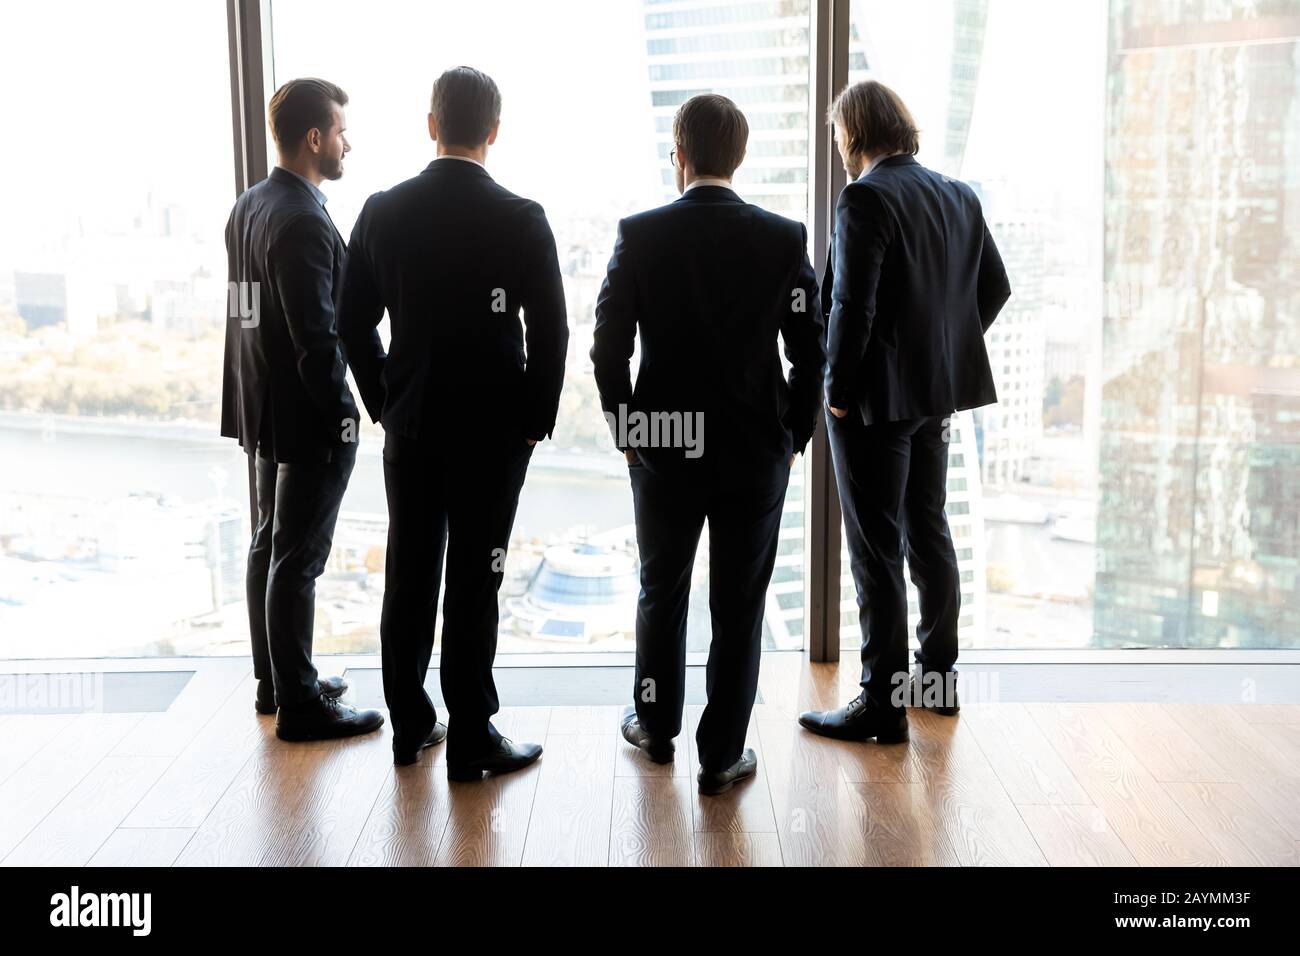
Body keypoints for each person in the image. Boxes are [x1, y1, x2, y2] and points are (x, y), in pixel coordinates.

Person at [591, 94, 825, 795]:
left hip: (663, 447)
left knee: (661, 589)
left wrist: (626, 426)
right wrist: (796, 434)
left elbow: (609, 346)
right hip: (756, 449)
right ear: (740, 158)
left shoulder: (641, 233)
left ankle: (656, 729)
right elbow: (811, 348)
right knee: (739, 604)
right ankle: (721, 756)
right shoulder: (784, 239)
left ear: (679, 155)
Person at [337, 66, 568, 775]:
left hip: (413, 428)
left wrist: (386, 405)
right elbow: (553, 332)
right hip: (495, 436)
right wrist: (533, 422)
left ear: (431, 124)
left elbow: (350, 322)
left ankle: (411, 727)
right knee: (477, 579)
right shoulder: (522, 217)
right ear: (493, 133)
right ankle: (472, 738)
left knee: (409, 576)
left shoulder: (382, 210)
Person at [799, 80, 1010, 744]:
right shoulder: (959, 194)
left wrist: (837, 386)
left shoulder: (866, 197)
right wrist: (940, 350)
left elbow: (851, 307)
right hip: (935, 397)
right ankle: (936, 682)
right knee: (929, 532)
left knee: (876, 549)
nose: (838, 147)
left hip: (872, 403)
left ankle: (881, 705)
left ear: (855, 133)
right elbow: (994, 289)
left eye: (838, 134)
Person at [220, 77, 384, 741]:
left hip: (261, 405)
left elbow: (245, 316)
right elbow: (317, 336)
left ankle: (279, 681)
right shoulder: (303, 221)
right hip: (306, 416)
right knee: (299, 560)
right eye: (342, 132)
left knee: (270, 546)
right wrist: (346, 416)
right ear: (315, 138)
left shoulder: (249, 206)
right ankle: (302, 708)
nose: (350, 143)